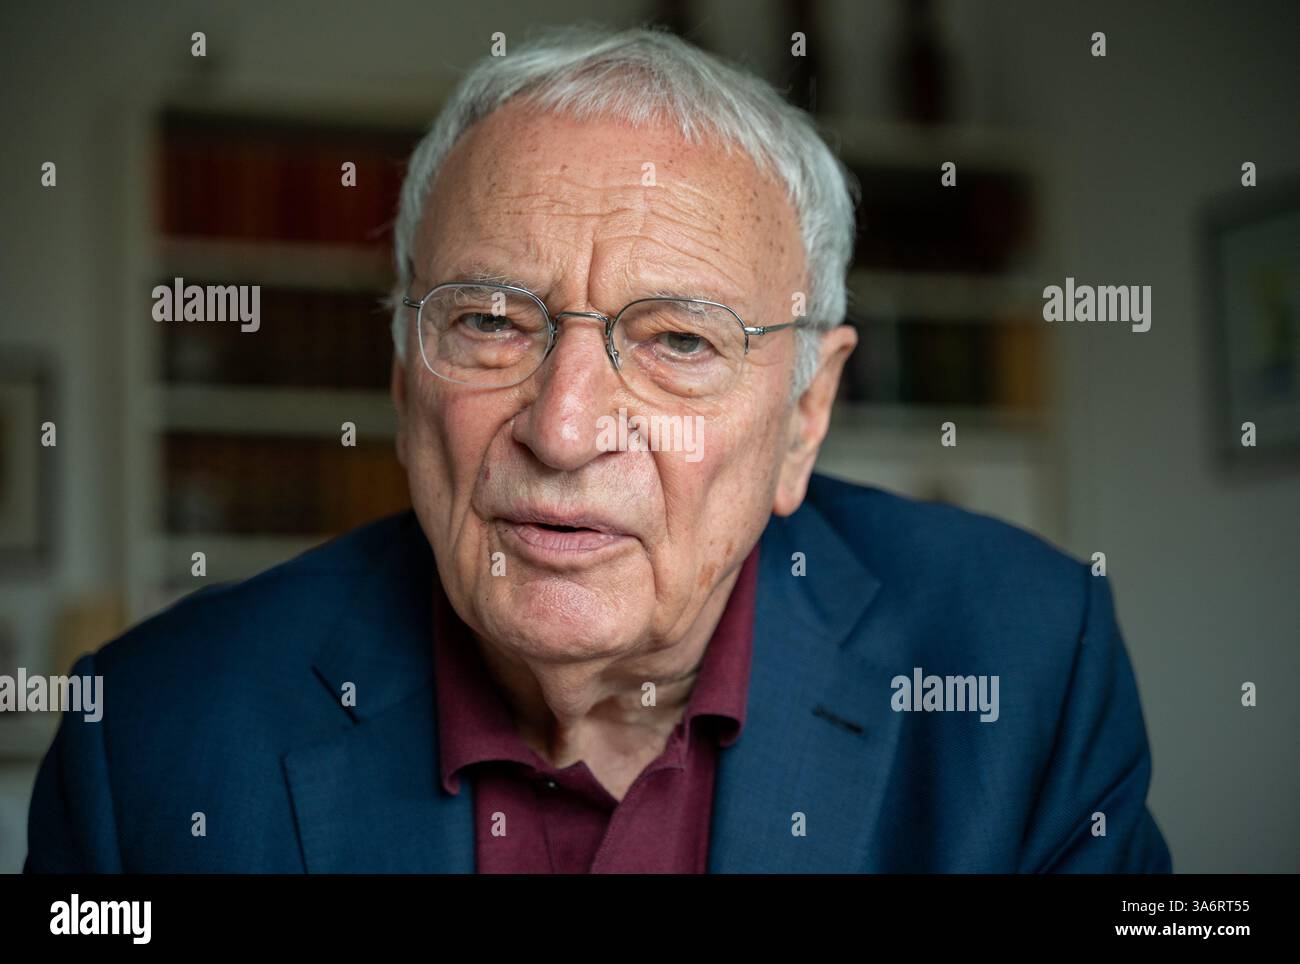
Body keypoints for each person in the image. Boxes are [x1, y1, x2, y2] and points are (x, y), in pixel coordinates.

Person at [27, 25, 1171, 873]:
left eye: (678, 339)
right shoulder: (148, 740)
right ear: (400, 368)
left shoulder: (1025, 669)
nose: (564, 428)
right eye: (488, 321)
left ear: (802, 417)